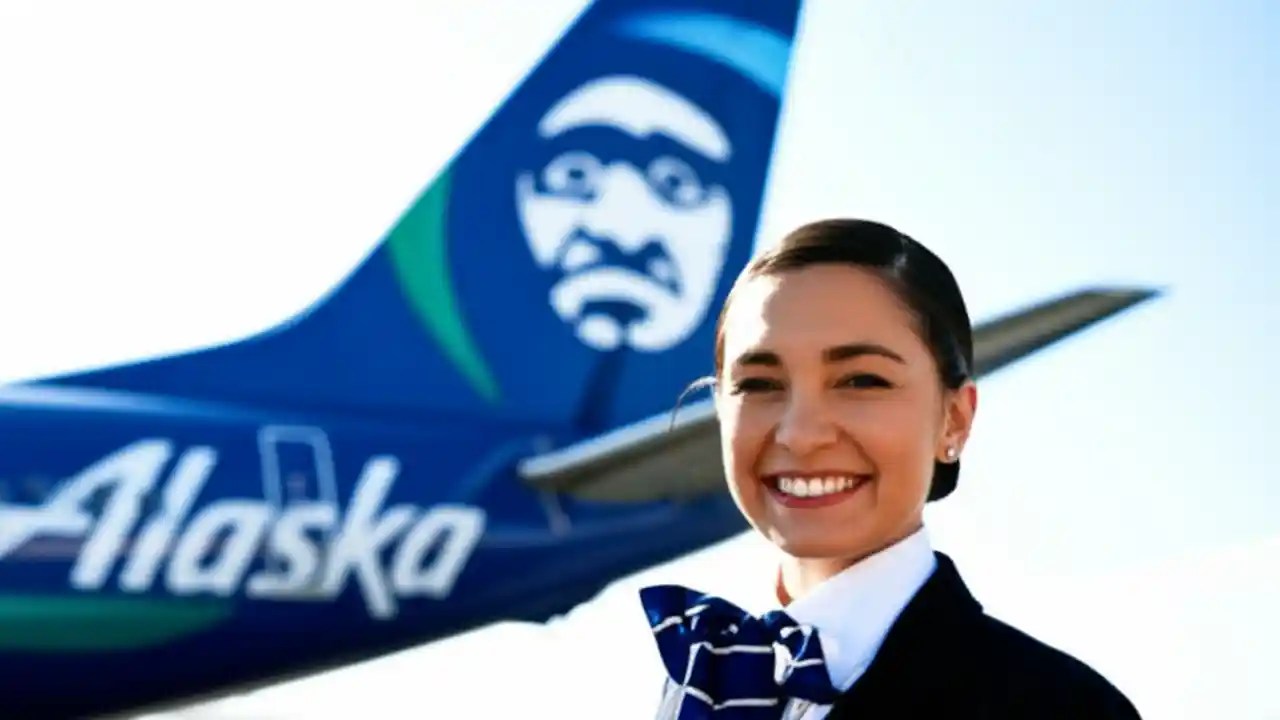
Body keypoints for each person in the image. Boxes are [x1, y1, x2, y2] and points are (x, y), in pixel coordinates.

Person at [640, 219, 1141, 719]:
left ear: (954, 419)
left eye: (861, 380)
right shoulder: (696, 681)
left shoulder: (1060, 707)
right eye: (758, 384)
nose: (800, 433)